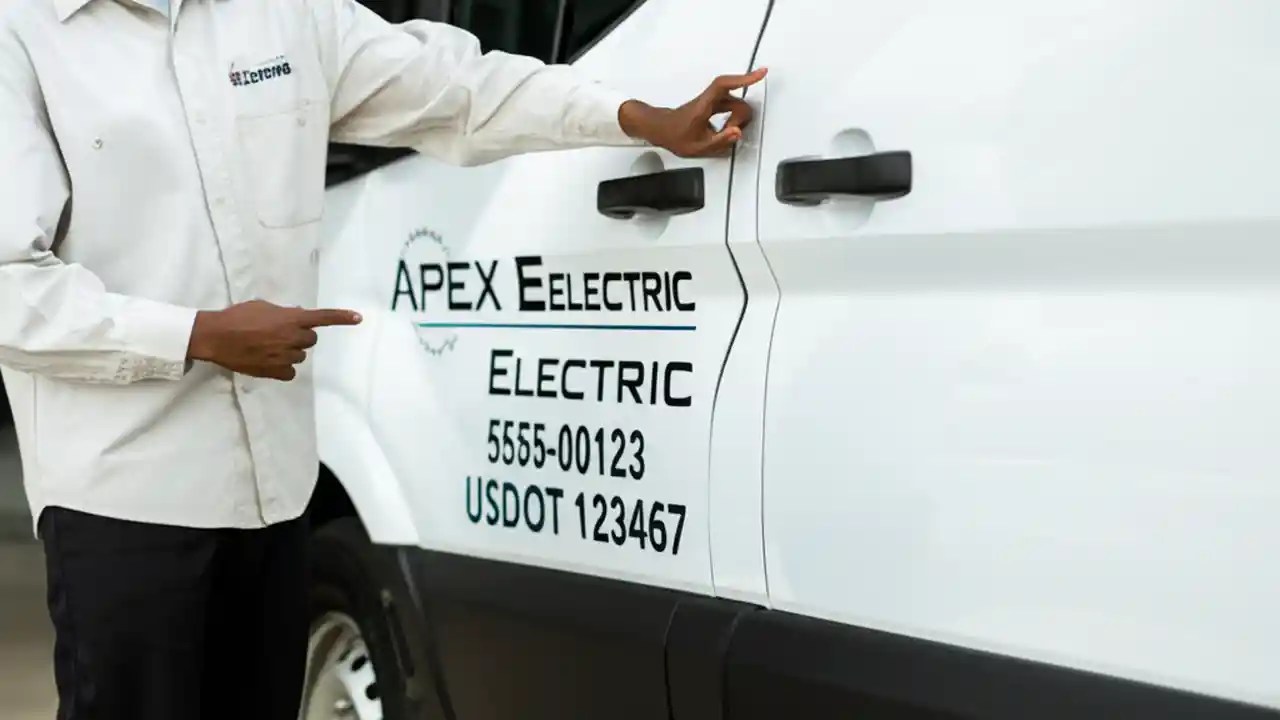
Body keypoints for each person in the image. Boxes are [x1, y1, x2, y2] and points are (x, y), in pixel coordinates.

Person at [0, 0, 766, 717]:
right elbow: (9, 287)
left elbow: (458, 86)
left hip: (271, 488)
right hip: (122, 500)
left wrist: (635, 117)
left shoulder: (284, 14)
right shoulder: (25, 33)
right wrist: (200, 335)